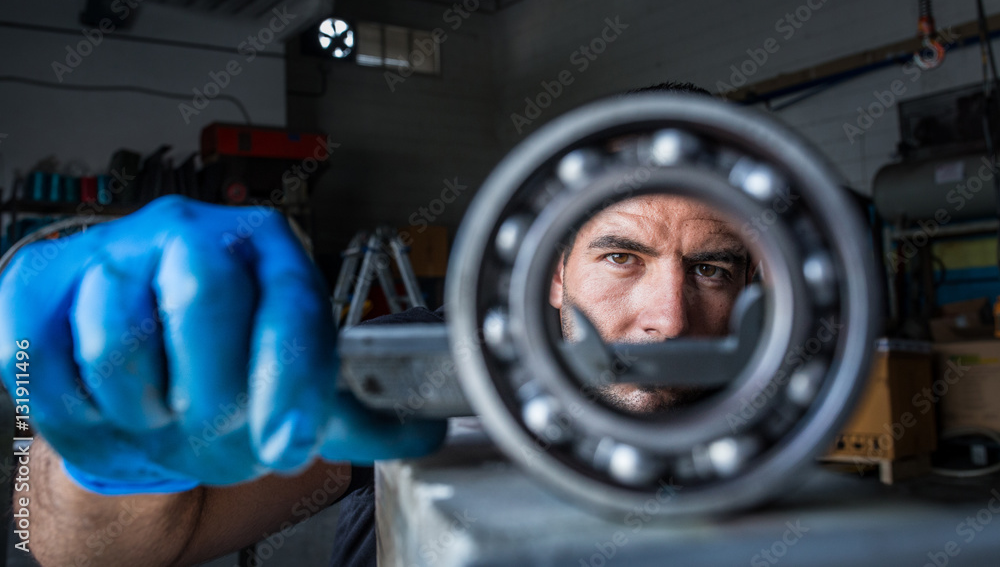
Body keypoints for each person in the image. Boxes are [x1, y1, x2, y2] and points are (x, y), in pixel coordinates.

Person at [0, 83, 752, 567]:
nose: (669, 318)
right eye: (622, 256)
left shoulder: (779, 409)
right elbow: (77, 549)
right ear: (554, 270)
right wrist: (116, 450)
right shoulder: (420, 368)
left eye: (712, 268)